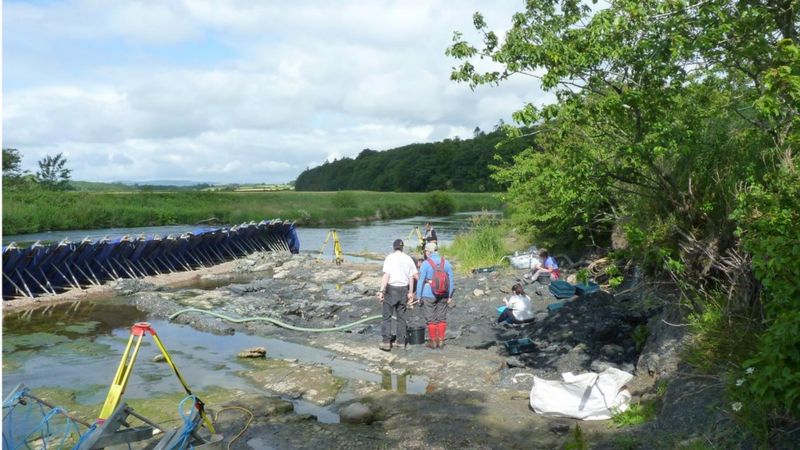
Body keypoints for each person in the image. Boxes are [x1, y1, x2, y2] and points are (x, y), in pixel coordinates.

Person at [378, 239, 417, 351]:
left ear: (394, 247)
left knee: (387, 317)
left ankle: (386, 341)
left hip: (391, 289)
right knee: (401, 318)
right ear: (402, 247)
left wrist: (381, 291)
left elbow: (386, 275)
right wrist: (410, 292)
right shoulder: (408, 258)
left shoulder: (390, 258)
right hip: (403, 289)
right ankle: (401, 342)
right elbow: (411, 277)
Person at [415, 242, 454, 349]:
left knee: (431, 318)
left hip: (428, 294)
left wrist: (418, 297)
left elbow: (421, 281)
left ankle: (432, 341)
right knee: (442, 317)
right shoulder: (446, 263)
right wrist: (450, 295)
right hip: (444, 293)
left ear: (428, 252)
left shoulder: (426, 264)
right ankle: (441, 340)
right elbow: (451, 280)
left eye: (425, 252)